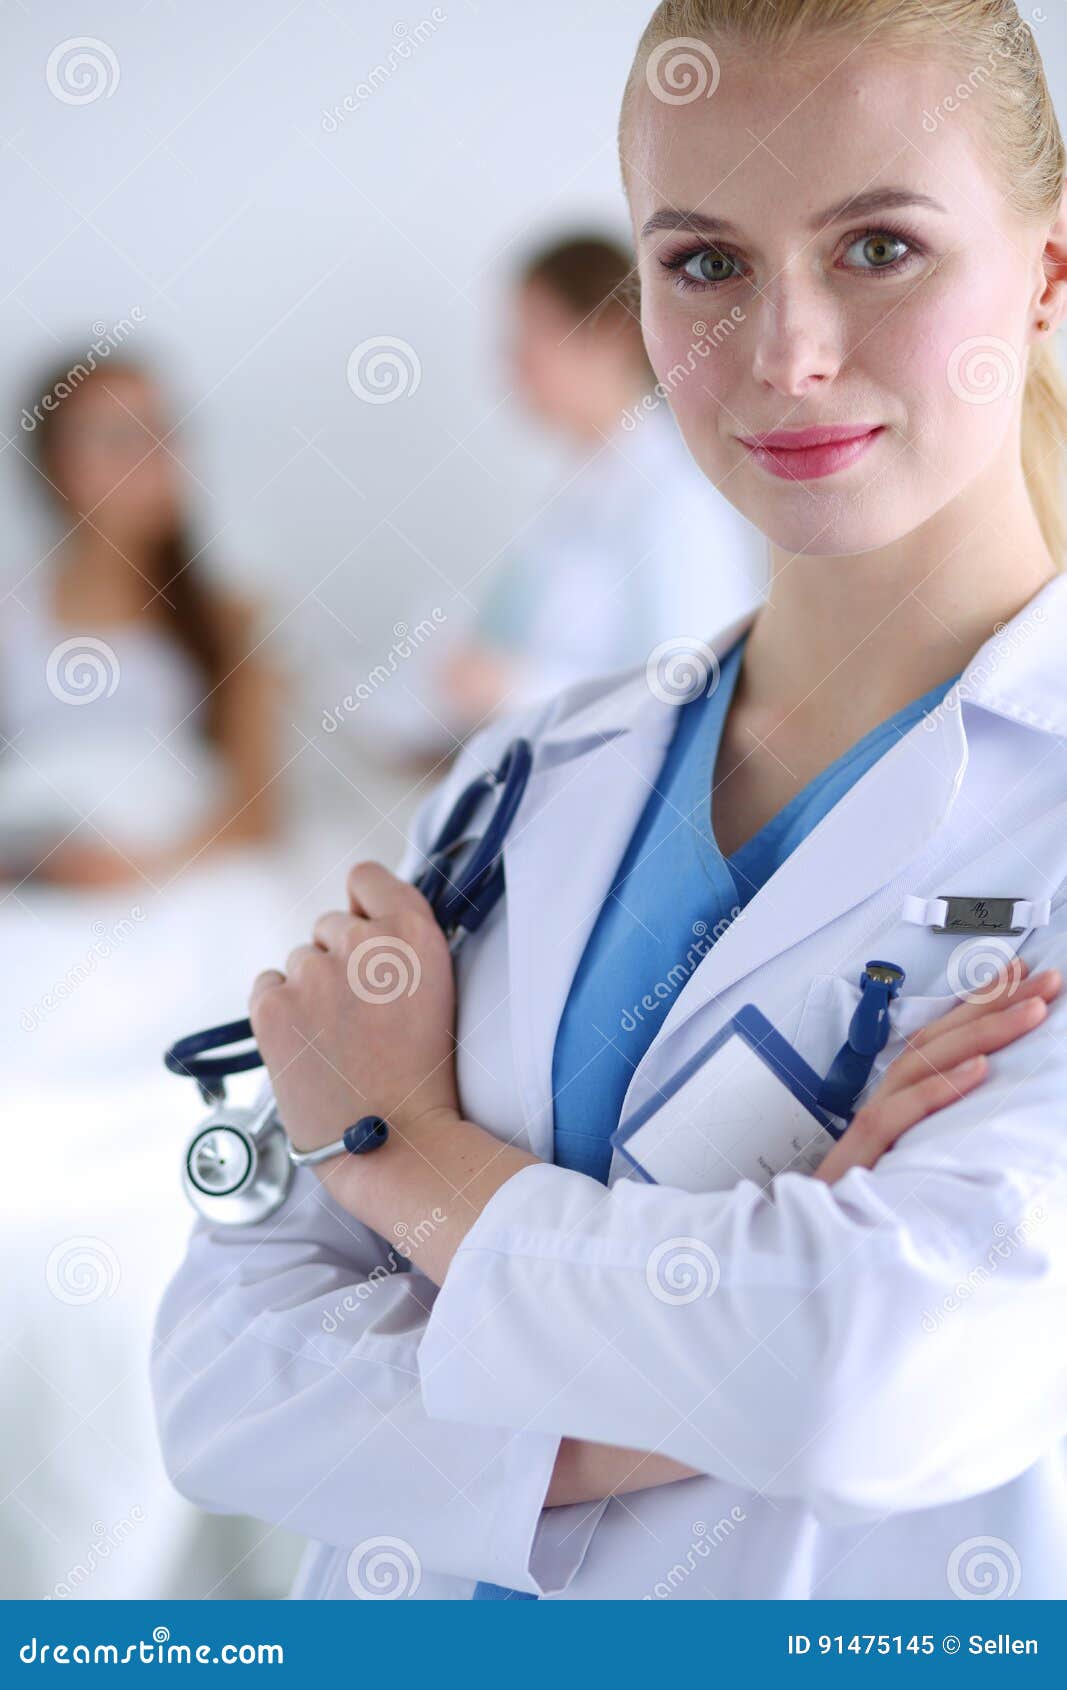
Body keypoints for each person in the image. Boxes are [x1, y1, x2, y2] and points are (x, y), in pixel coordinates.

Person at [153, 0, 1067, 1602]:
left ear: (1047, 270)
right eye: (703, 262)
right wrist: (661, 1401)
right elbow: (222, 1374)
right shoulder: (527, 776)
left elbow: (871, 1375)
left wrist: (400, 1154)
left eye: (878, 248)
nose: (786, 352)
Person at [359, 232, 768, 765]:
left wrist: (511, 689)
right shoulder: (579, 483)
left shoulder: (677, 497)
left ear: (611, 334)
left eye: (533, 333)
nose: (512, 362)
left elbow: (692, 695)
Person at [0, 355, 283, 889]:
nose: (154, 458)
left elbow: (256, 816)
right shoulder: (10, 615)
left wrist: (136, 873)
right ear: (57, 466)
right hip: (30, 889)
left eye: (163, 433)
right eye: (119, 439)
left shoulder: (229, 619)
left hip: (176, 886)